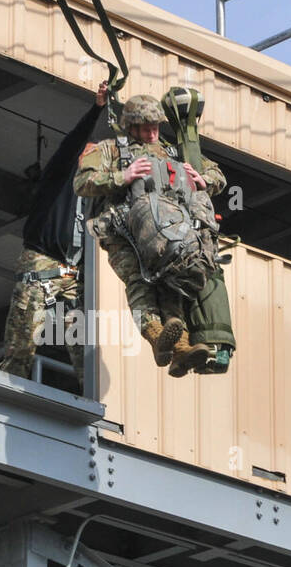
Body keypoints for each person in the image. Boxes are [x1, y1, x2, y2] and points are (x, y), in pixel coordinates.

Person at [73, 94, 227, 376]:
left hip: (169, 233)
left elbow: (216, 173)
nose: (153, 133)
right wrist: (123, 176)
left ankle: (180, 350)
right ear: (130, 126)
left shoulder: (171, 151)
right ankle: (156, 334)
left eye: (156, 126)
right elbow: (83, 183)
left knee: (173, 286)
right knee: (139, 282)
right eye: (146, 128)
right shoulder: (109, 150)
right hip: (123, 231)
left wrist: (205, 181)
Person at [0, 81, 110, 390]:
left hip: (75, 273)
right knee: (22, 338)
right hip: (41, 261)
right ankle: (7, 391)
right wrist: (96, 109)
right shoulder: (61, 173)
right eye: (92, 156)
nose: (96, 165)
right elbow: (73, 143)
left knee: (84, 345)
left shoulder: (97, 196)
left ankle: (94, 400)